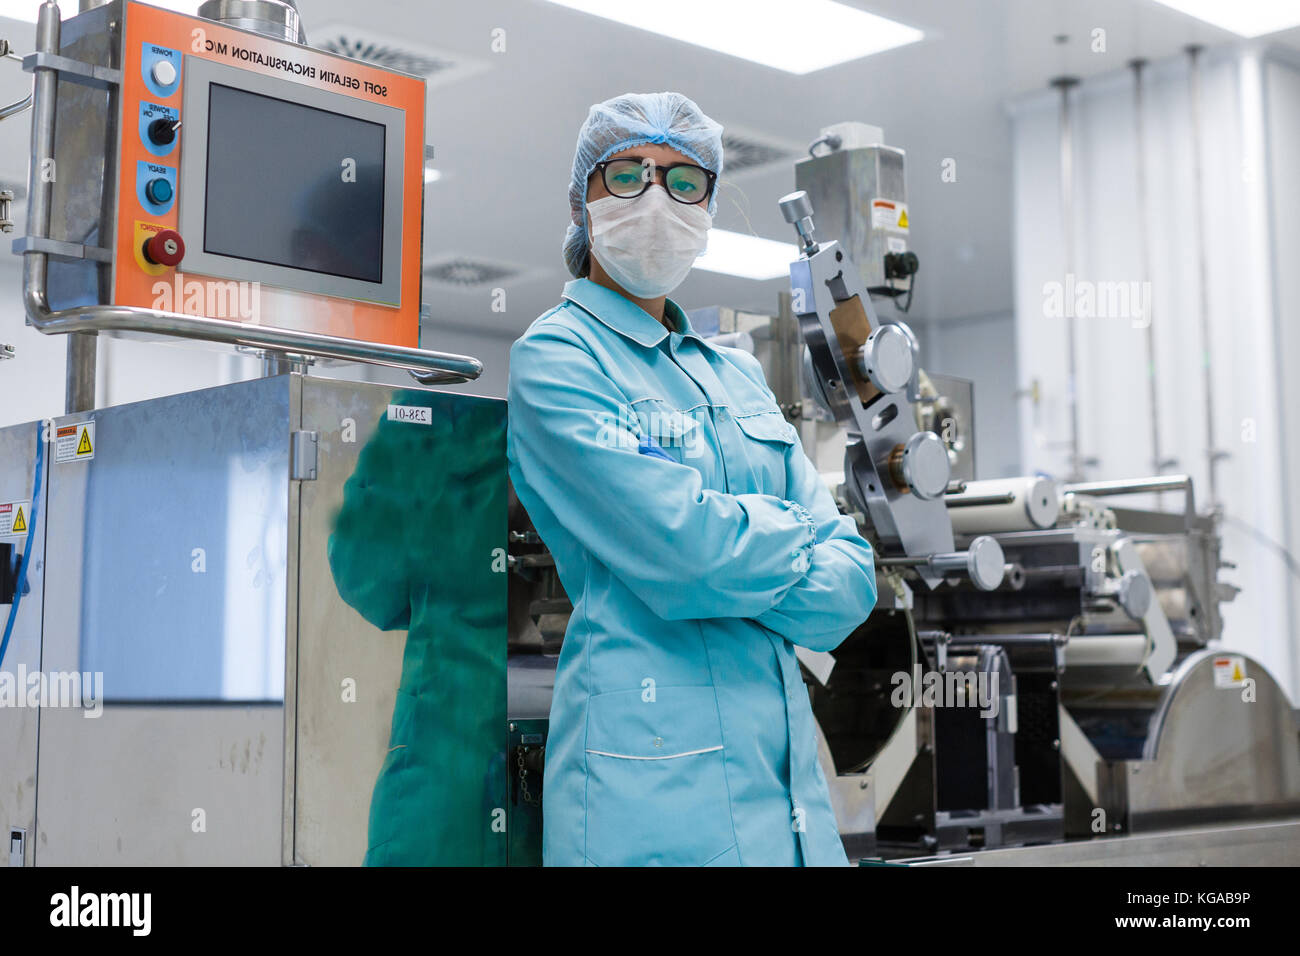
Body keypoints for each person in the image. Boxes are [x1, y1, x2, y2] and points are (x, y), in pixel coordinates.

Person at [507, 92, 877, 867]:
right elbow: (686, 553)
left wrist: (742, 544)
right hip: (650, 808)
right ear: (581, 201)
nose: (655, 196)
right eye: (628, 174)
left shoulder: (736, 375)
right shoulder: (559, 359)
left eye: (683, 180)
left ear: (707, 204)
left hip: (793, 817)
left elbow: (849, 586)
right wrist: (793, 537)